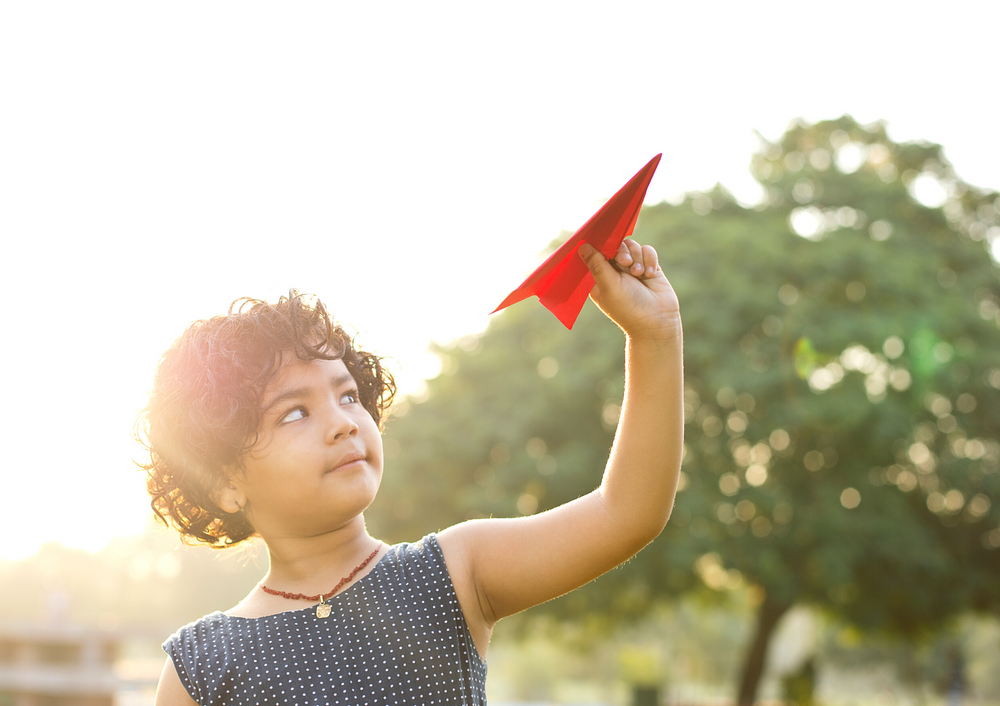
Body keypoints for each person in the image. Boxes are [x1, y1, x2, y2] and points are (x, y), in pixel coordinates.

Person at [138, 239, 684, 705]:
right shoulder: (200, 667)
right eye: (295, 412)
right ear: (225, 483)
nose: (343, 423)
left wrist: (656, 335)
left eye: (348, 395)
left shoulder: (454, 574)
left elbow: (627, 511)